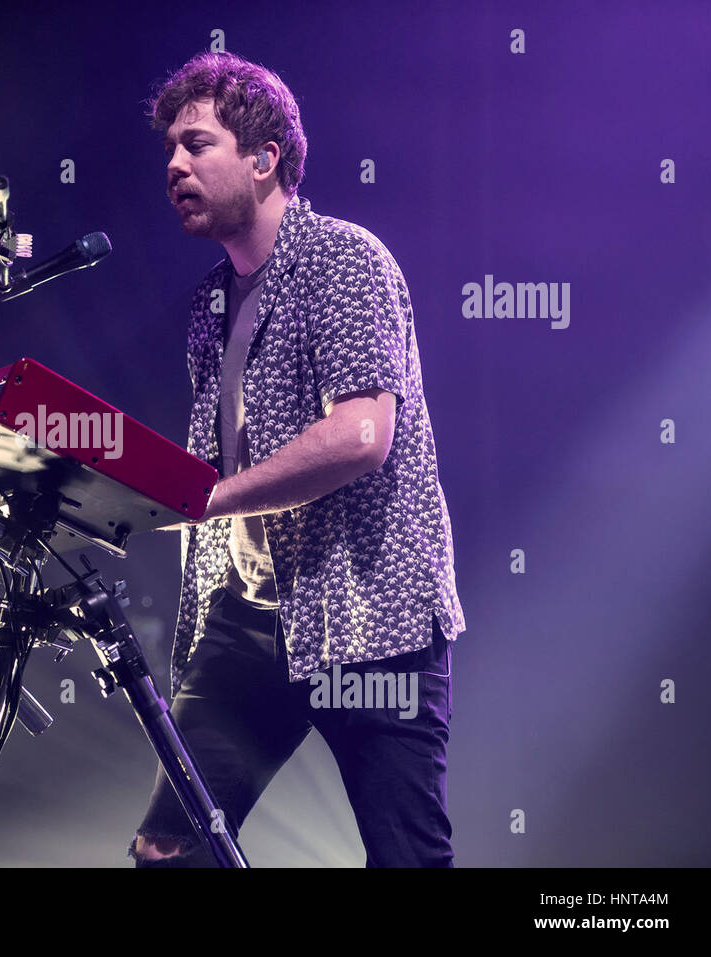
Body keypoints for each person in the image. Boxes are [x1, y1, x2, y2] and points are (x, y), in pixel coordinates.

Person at [129, 51, 466, 867]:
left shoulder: (344, 259)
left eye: (198, 143)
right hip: (249, 623)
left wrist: (209, 497)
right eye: (170, 147)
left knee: (407, 857)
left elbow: (360, 434)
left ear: (264, 156)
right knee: (168, 849)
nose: (175, 163)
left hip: (368, 619)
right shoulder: (211, 305)